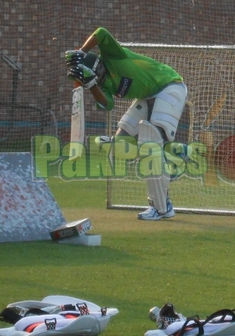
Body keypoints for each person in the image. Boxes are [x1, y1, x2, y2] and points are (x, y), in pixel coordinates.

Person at [65, 27, 187, 221]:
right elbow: (107, 105)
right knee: (119, 147)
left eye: (98, 73)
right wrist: (91, 85)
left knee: (151, 145)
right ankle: (174, 157)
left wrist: (81, 51)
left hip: (168, 86)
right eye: (96, 77)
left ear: (99, 65)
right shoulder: (102, 84)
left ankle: (161, 208)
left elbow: (101, 33)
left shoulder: (113, 56)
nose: (100, 77)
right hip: (146, 96)